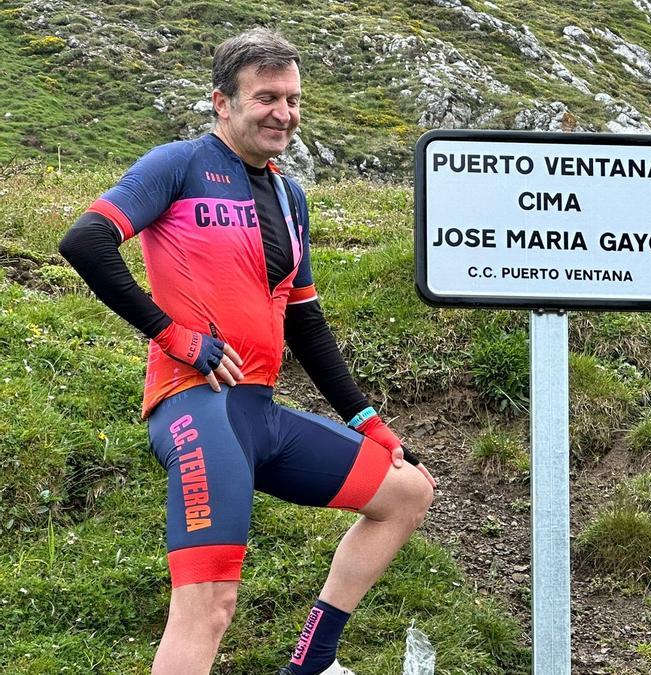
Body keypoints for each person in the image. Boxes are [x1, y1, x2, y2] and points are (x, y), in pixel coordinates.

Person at [59, 28, 436, 675]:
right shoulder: (176, 166)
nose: (283, 113)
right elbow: (87, 240)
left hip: (260, 413)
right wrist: (175, 337)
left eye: (291, 99)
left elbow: (305, 321)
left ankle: (311, 663)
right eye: (267, 97)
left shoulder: (289, 197)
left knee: (406, 492)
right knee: (208, 603)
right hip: (194, 408)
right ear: (222, 102)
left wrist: (365, 419)